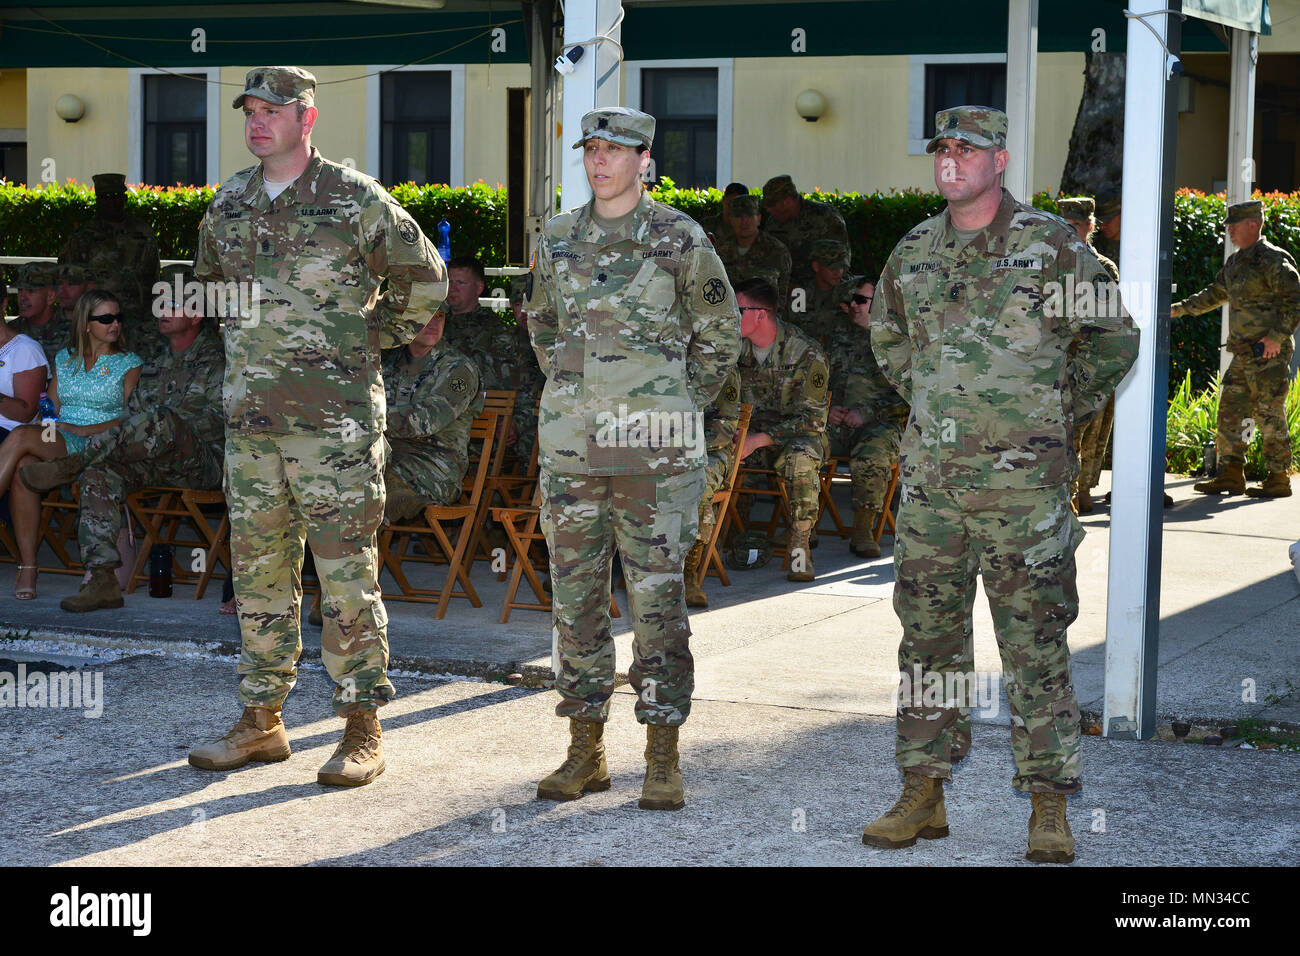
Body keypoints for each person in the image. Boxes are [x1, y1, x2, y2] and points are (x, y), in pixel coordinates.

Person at [863, 106, 1139, 864]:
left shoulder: (1049, 245)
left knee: (1035, 643)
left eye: (967, 149)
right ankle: (924, 791)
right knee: (928, 644)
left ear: (1001, 159)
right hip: (933, 490)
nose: (951, 160)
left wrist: (1056, 408)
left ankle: (1048, 802)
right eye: (942, 149)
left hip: (1023, 492)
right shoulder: (914, 249)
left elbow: (1115, 335)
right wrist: (932, 398)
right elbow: (887, 336)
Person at [187, 66, 445, 787]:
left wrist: (367, 340)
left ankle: (361, 727)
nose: (257, 120)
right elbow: (210, 287)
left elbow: (424, 283)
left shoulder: (355, 199)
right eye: (250, 109)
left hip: (333, 426)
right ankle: (261, 721)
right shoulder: (228, 203)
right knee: (260, 573)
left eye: (273, 109)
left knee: (344, 574)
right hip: (252, 423)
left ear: (308, 117)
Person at [526, 106, 739, 811]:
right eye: (591, 148)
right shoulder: (557, 237)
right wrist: (577, 396)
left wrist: (673, 403)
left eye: (614, 150)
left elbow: (719, 335)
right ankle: (585, 750)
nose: (599, 160)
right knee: (576, 603)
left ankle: (662, 752)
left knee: (657, 605)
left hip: (652, 453)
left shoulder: (680, 237)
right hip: (573, 448)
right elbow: (543, 329)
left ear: (644, 158)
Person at [19, 272, 225, 614]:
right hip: (151, 460)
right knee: (100, 472)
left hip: (200, 462)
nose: (162, 311)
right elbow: (130, 418)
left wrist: (164, 423)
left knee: (161, 418)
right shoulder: (155, 363)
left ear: (197, 315)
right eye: (160, 304)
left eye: (172, 305)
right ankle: (101, 581)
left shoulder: (218, 360)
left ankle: (74, 462)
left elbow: (219, 421)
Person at [306, 308, 484, 627]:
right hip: (384, 454)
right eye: (424, 316)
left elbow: (425, 420)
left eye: (440, 316)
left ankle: (346, 597)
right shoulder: (387, 362)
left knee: (366, 492)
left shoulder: (458, 369)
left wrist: (364, 418)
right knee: (331, 479)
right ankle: (337, 588)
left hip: (433, 468)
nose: (433, 324)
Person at [0, 290, 142, 600]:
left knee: (21, 437)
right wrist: (50, 428)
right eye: (106, 318)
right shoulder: (65, 358)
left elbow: (131, 421)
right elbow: (50, 407)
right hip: (60, 438)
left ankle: (28, 568)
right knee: (23, 465)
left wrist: (80, 428)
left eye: (118, 317)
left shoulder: (129, 363)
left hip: (101, 443)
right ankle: (28, 567)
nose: (115, 324)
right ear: (86, 324)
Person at [1173, 200, 1300, 498]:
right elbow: (1216, 293)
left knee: (1269, 413)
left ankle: (1278, 478)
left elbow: (1294, 301)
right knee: (1231, 413)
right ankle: (1231, 474)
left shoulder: (1273, 260)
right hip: (1243, 355)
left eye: (1234, 225)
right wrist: (1179, 310)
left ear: (1253, 225)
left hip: (1268, 354)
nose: (1229, 230)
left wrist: (1276, 338)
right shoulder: (1236, 262)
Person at [733, 277, 829, 583]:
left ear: (760, 314)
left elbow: (812, 420)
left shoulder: (806, 353)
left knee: (800, 462)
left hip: (797, 438)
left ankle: (800, 549)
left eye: (737, 310)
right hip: (748, 439)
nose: (730, 317)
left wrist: (758, 440)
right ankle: (727, 538)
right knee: (713, 453)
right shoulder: (732, 351)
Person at [826, 276, 908, 558]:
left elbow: (910, 398)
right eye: (851, 300)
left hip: (880, 425)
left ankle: (863, 528)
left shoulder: (896, 344)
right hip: (835, 424)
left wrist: (867, 413)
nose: (854, 305)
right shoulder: (836, 338)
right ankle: (803, 528)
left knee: (872, 452)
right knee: (803, 446)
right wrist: (827, 408)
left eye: (861, 300)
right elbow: (815, 382)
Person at [1057, 197, 1119, 514]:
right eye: (1063, 226)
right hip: (1057, 366)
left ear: (1090, 227)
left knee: (1086, 436)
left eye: (1075, 227)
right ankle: (1071, 499)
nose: (1068, 234)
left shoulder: (1103, 268)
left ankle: (1079, 494)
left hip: (1088, 365)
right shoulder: (1050, 265)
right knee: (1068, 436)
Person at [59, 172, 161, 359]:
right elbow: (70, 280)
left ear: (125, 198)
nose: (111, 202)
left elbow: (153, 276)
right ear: (98, 200)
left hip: (137, 319)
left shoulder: (142, 232)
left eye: (116, 196)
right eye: (105, 197)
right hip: (97, 321)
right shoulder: (83, 236)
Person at [0, 277, 51, 599]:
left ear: (3, 305)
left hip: (12, 432)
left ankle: (28, 566)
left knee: (24, 468)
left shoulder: (25, 350)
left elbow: (25, 411)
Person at [684, 365, 742, 609]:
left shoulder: (719, 363)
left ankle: (688, 572)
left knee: (698, 481)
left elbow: (723, 427)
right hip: (655, 449)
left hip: (707, 451)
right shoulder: (649, 352)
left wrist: (682, 449)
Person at [760, 174, 848, 294]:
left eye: (771, 205)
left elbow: (841, 260)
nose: (768, 210)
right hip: (786, 292)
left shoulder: (825, 217)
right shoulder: (773, 222)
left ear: (787, 201)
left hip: (822, 293)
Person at [714, 194, 792, 307]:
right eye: (738, 216)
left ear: (759, 219)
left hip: (763, 319)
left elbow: (783, 296)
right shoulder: (719, 250)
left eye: (750, 215)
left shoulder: (777, 251)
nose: (744, 221)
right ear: (731, 219)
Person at [796, 239, 856, 348]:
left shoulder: (851, 294)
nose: (838, 272)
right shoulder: (800, 294)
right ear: (816, 266)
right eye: (832, 267)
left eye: (841, 267)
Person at [12, 262, 72, 366]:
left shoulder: (73, 332)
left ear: (50, 297)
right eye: (20, 290)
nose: (22, 298)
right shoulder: (12, 330)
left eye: (31, 291)